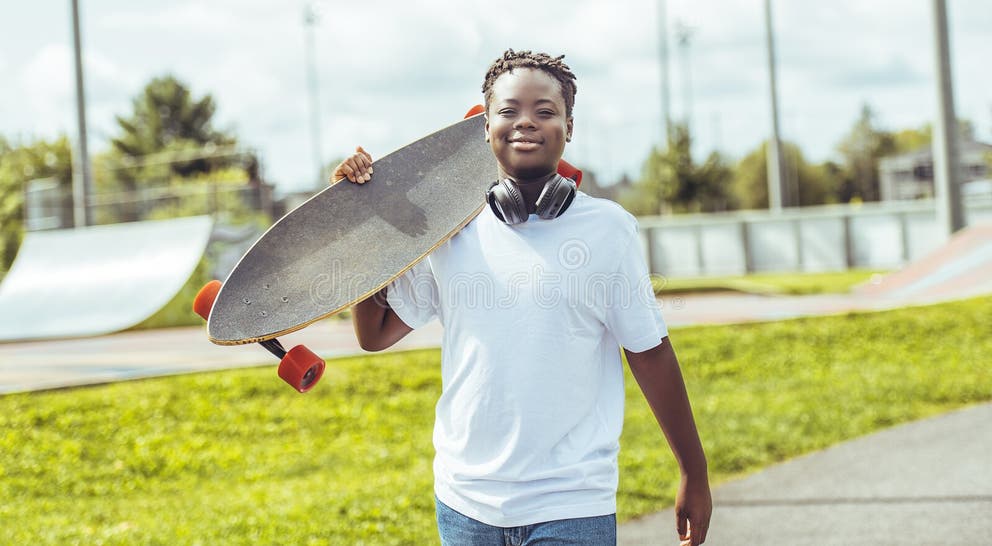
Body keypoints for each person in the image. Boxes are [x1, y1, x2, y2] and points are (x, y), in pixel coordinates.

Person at [333, 49, 711, 546]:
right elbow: (374, 334)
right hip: (466, 500)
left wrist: (694, 471)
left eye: (545, 111)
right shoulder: (449, 231)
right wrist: (372, 227)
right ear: (484, 126)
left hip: (572, 501)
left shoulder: (608, 229)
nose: (525, 122)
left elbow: (649, 351)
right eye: (508, 111)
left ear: (569, 127)